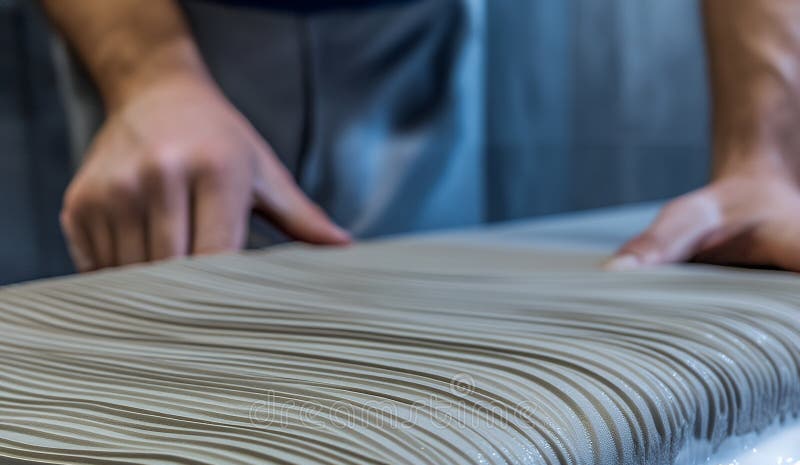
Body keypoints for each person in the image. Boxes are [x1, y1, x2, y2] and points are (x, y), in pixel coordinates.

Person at [41, 0, 800, 273]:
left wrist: (765, 162)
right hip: (160, 23)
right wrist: (151, 78)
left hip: (414, 29)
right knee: (168, 330)